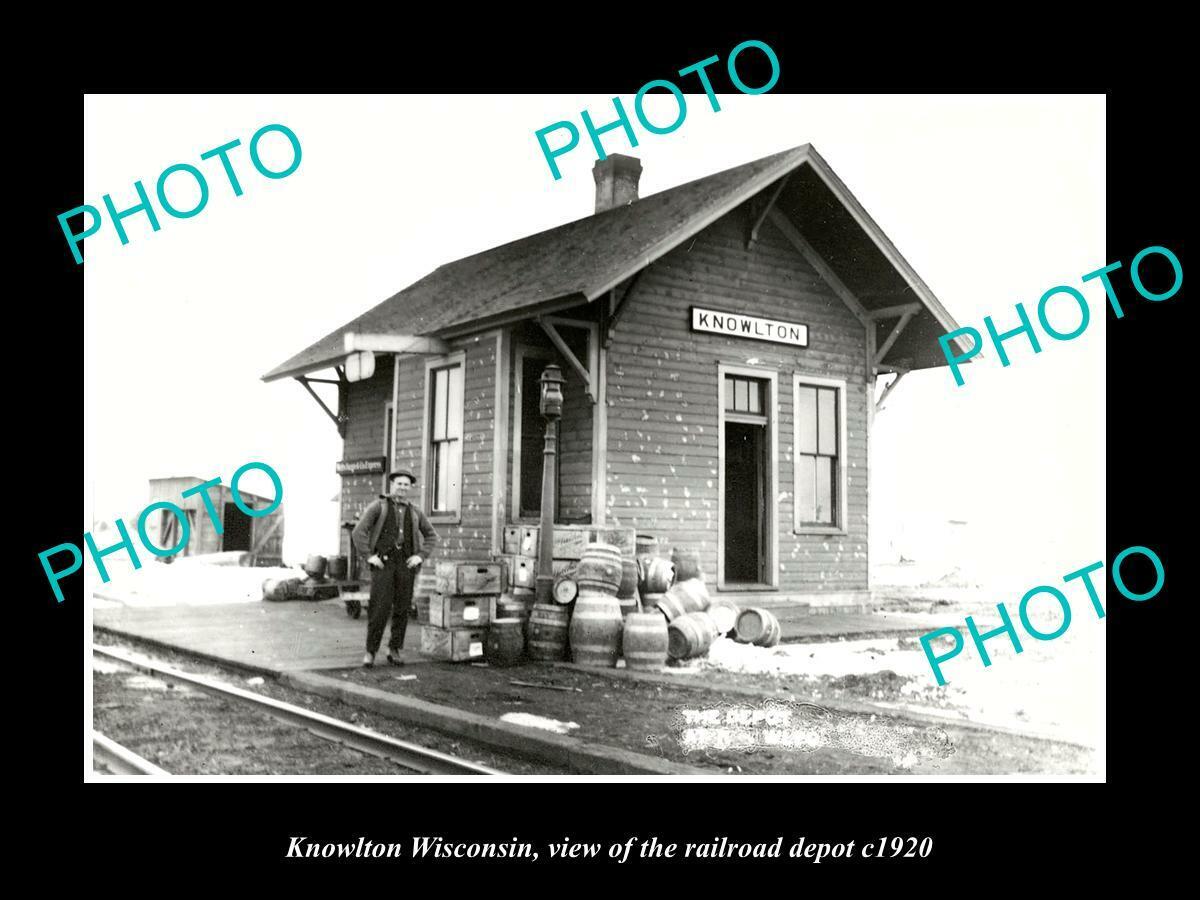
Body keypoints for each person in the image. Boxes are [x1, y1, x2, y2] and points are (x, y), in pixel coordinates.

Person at [351, 468, 439, 667]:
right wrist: (369, 556)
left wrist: (420, 556)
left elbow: (432, 535)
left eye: (406, 485)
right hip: (384, 564)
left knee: (402, 608)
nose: (402, 487)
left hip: (406, 564)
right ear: (392, 484)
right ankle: (370, 652)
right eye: (399, 483)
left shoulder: (415, 511)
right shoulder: (378, 506)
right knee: (379, 608)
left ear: (410, 487)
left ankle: (394, 650)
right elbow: (358, 532)